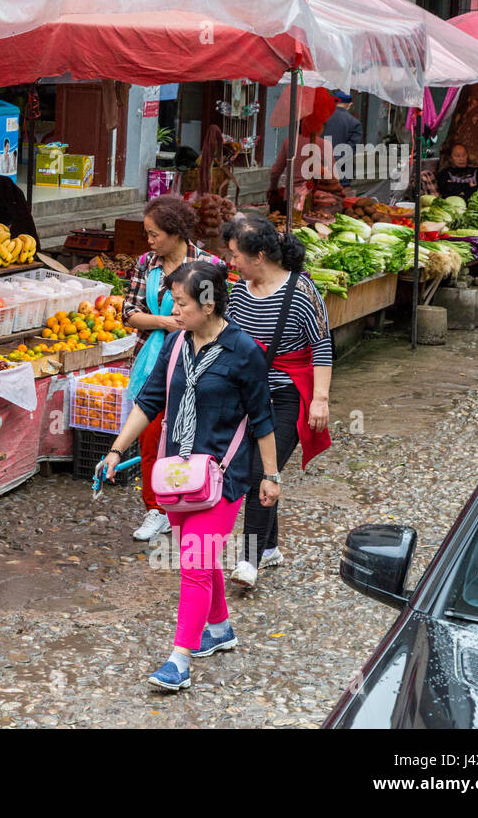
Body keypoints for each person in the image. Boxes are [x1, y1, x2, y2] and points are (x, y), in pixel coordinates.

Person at [103, 261, 280, 691]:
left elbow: (263, 420)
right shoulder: (177, 344)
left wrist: (271, 476)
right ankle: (218, 628)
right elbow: (148, 401)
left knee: (195, 564)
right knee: (198, 556)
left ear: (209, 302)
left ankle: (179, 660)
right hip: (177, 474)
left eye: (180, 303)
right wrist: (115, 450)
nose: (174, 312)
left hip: (224, 477)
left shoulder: (244, 351)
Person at [222, 214, 333, 588]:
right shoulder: (238, 293)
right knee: (263, 470)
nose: (231, 261)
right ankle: (270, 548)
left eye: (237, 254)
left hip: (288, 396)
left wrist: (320, 399)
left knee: (259, 472)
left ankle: (248, 560)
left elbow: (322, 345)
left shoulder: (302, 291)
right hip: (249, 399)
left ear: (261, 255)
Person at [120, 196, 221, 542]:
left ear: (175, 232)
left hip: (199, 364)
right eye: (147, 234)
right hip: (152, 362)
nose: (149, 242)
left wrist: (187, 326)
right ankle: (156, 509)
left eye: (154, 234)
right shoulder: (146, 264)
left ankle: (193, 500)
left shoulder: (208, 265)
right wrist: (165, 322)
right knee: (151, 438)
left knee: (190, 438)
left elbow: (219, 317)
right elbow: (129, 312)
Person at [321, 90, 362, 183]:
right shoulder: (355, 123)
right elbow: (351, 149)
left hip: (321, 168)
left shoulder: (323, 118)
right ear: (349, 104)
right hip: (343, 172)